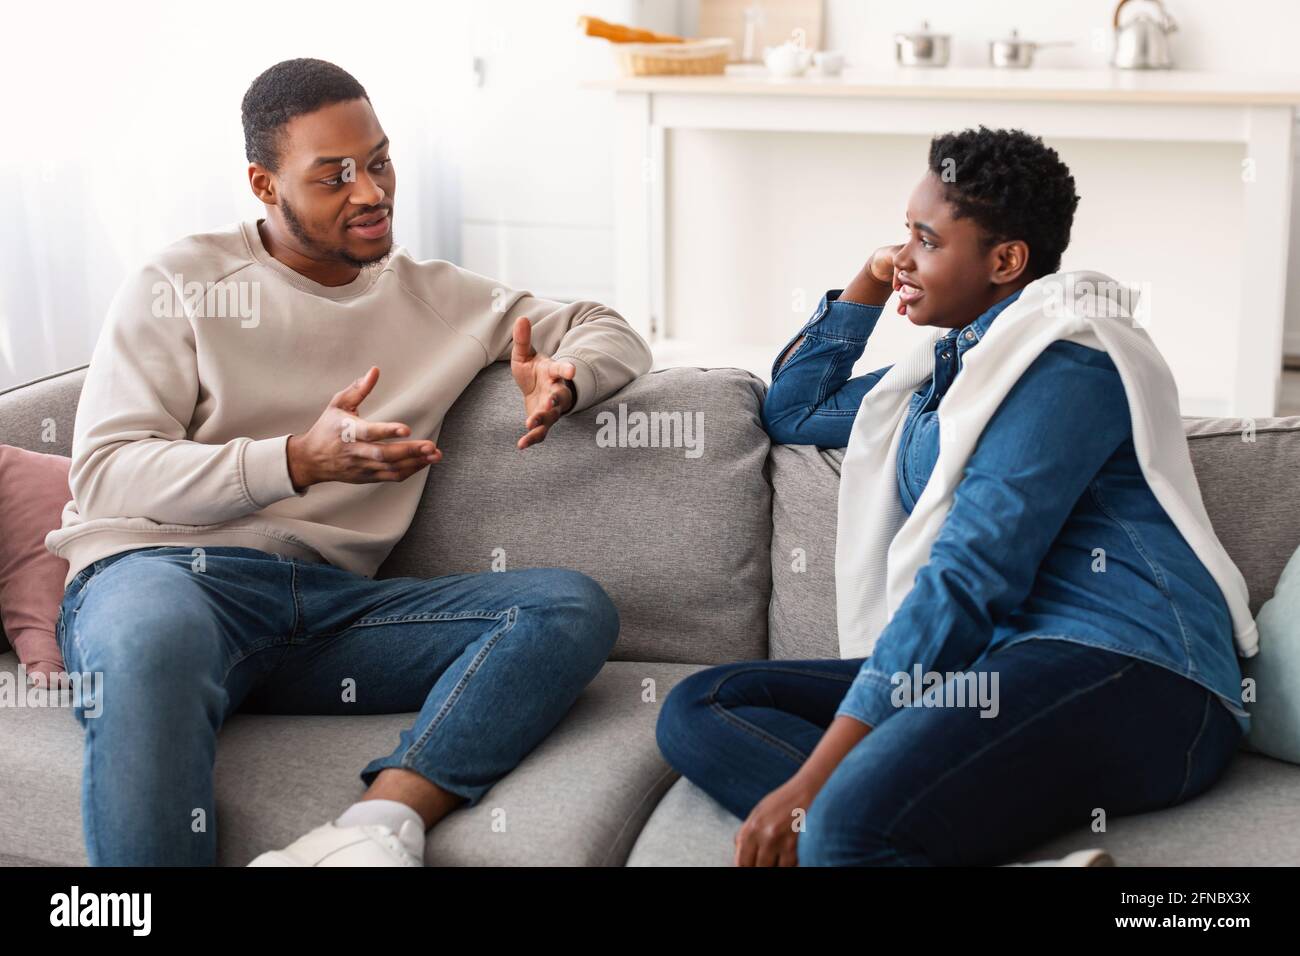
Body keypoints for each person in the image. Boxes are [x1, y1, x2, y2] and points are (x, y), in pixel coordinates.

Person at [47, 58, 652, 867]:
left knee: (566, 608)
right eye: (332, 176)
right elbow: (109, 472)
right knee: (155, 645)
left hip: (322, 614)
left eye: (378, 161)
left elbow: (603, 324)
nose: (370, 192)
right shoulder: (180, 281)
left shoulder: (439, 297)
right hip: (161, 576)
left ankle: (367, 833)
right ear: (265, 186)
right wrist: (297, 461)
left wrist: (568, 378)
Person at [656, 126, 1248, 867]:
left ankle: (863, 823)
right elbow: (793, 410)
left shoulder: (1067, 364)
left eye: (927, 240)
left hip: (1140, 677)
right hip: (997, 672)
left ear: (1005, 261)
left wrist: (813, 782)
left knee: (837, 829)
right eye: (903, 232)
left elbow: (970, 577)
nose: (904, 253)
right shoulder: (940, 381)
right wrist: (882, 274)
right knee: (701, 705)